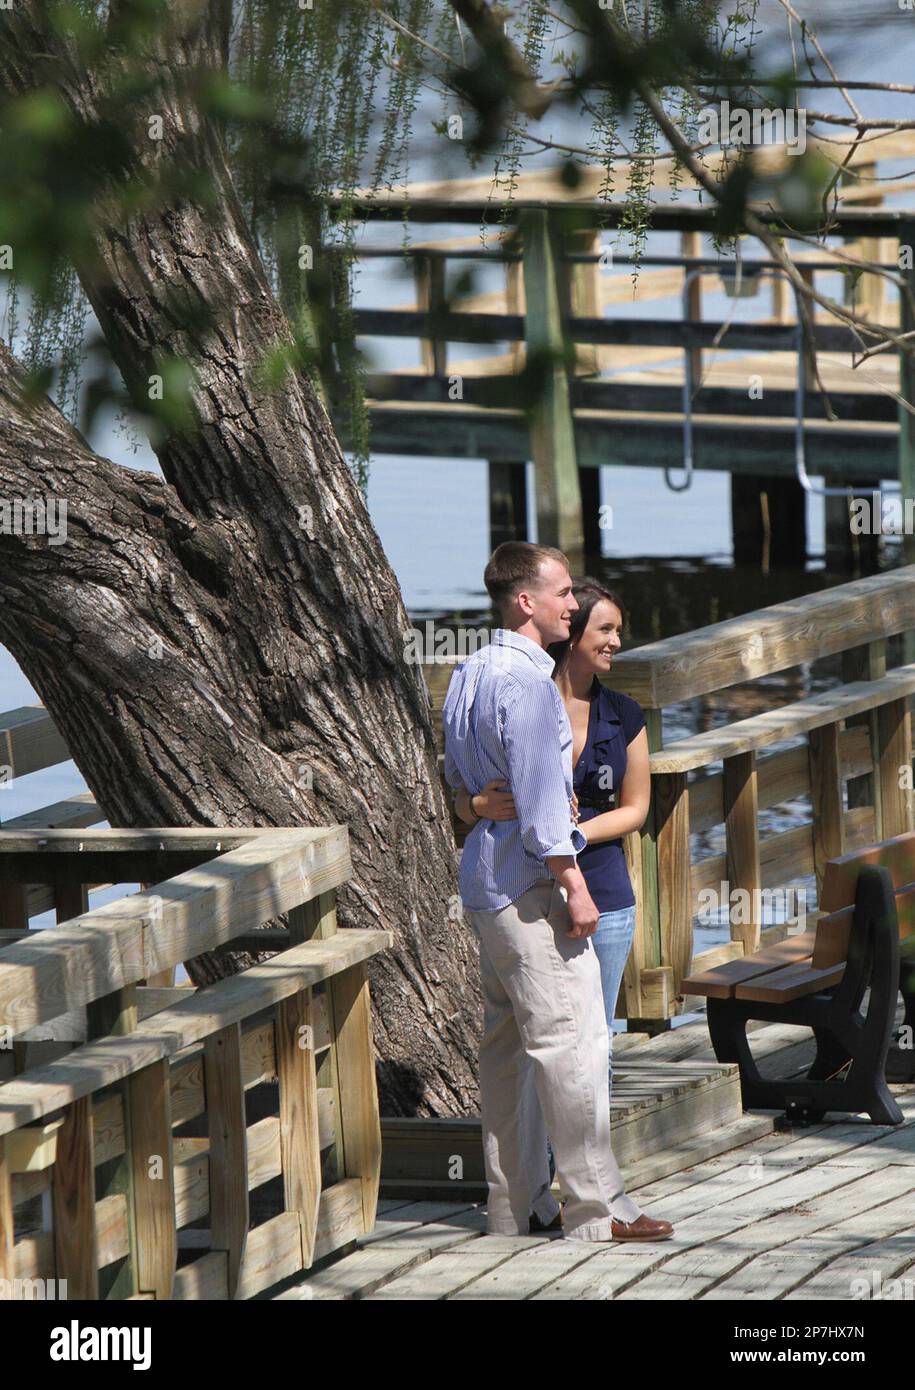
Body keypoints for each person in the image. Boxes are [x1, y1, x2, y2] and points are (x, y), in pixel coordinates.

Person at [442, 541, 672, 1243]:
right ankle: (596, 1214)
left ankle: (513, 1209)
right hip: (533, 890)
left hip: (484, 889)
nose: (573, 605)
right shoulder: (533, 685)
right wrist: (574, 885)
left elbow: (459, 782)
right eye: (563, 593)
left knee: (507, 1055)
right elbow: (545, 806)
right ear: (526, 602)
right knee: (574, 1049)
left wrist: (477, 808)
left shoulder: (467, 671)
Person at [455, 578, 648, 1097]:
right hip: (523, 894)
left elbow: (636, 808)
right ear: (574, 632)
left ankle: (585, 1165)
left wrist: (570, 834)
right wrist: (476, 806)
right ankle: (539, 1166)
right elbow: (456, 791)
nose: (615, 642)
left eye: (618, 632)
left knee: (595, 1038)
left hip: (602, 893)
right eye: (604, 630)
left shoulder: (624, 714)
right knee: (531, 1039)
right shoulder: (522, 697)